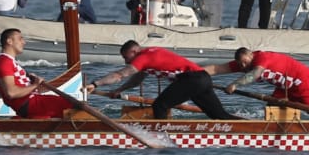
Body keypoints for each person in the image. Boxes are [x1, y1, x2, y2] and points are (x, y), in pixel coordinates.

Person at [86, 41, 240, 120]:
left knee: (160, 104)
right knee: (218, 115)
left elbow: (119, 75)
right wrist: (119, 90)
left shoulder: (144, 57)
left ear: (134, 51)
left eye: (126, 58)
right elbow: (136, 80)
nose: (127, 62)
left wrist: (94, 84)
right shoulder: (149, 56)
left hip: (193, 80)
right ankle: (251, 129)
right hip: (202, 78)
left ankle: (161, 135)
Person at [0, 28, 78, 119]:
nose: (24, 42)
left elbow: (19, 86)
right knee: (75, 105)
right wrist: (35, 85)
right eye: (20, 39)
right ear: (9, 41)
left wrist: (34, 84)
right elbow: (11, 93)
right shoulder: (4, 62)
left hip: (31, 103)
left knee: (72, 104)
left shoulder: (8, 61)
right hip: (30, 104)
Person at [214, 47, 309, 109]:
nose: (243, 66)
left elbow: (256, 74)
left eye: (245, 62)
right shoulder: (244, 64)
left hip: (302, 81)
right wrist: (197, 72)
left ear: (251, 55)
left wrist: (235, 84)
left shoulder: (262, 58)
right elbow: (217, 68)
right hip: (284, 86)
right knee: (272, 107)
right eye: (240, 64)